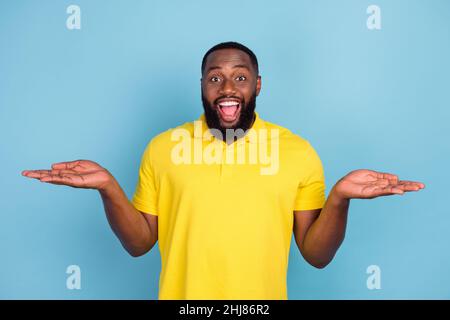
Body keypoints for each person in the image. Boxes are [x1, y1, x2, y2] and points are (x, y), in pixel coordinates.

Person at [22, 42, 425, 300]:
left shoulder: (298, 152)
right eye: (215, 78)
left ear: (258, 85)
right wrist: (108, 187)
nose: (227, 87)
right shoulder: (163, 148)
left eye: (240, 77)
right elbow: (140, 243)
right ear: (202, 85)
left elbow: (316, 256)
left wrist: (338, 198)